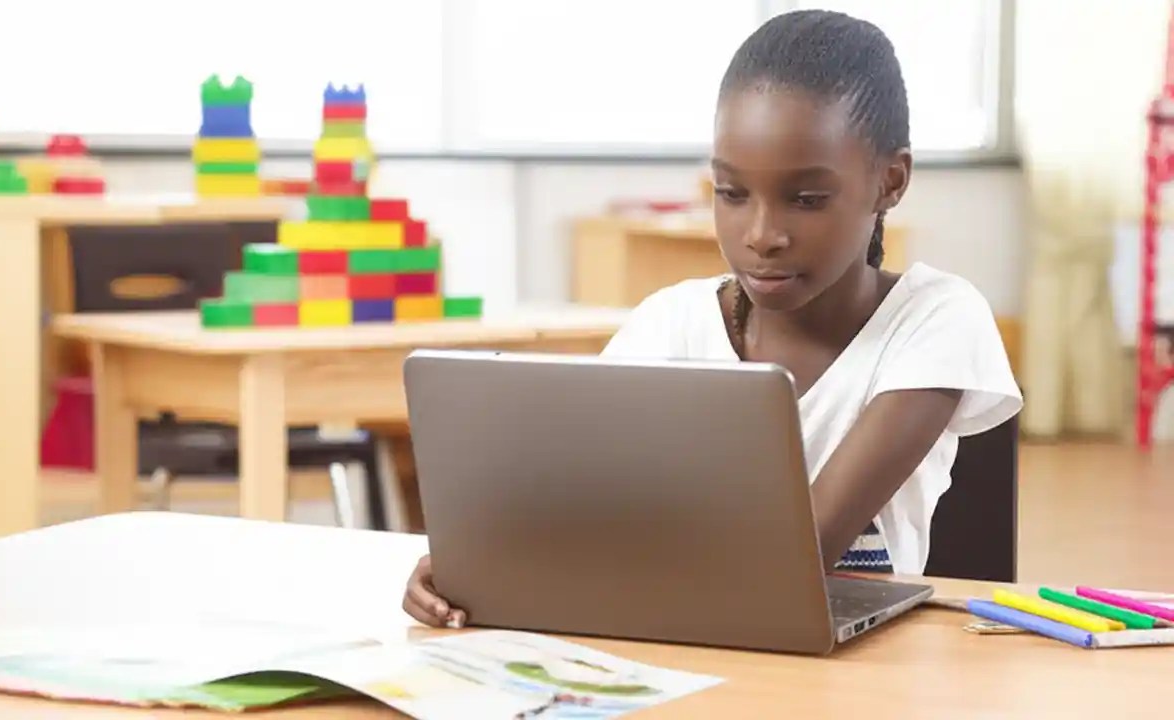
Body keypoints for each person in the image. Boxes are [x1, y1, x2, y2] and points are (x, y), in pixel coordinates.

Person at [403, 9, 1023, 629]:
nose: (761, 236)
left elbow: (796, 559)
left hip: (856, 679)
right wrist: (476, 567)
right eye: (731, 193)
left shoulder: (936, 319)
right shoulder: (668, 326)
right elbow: (577, 510)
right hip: (688, 645)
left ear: (890, 182)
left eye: (806, 199)